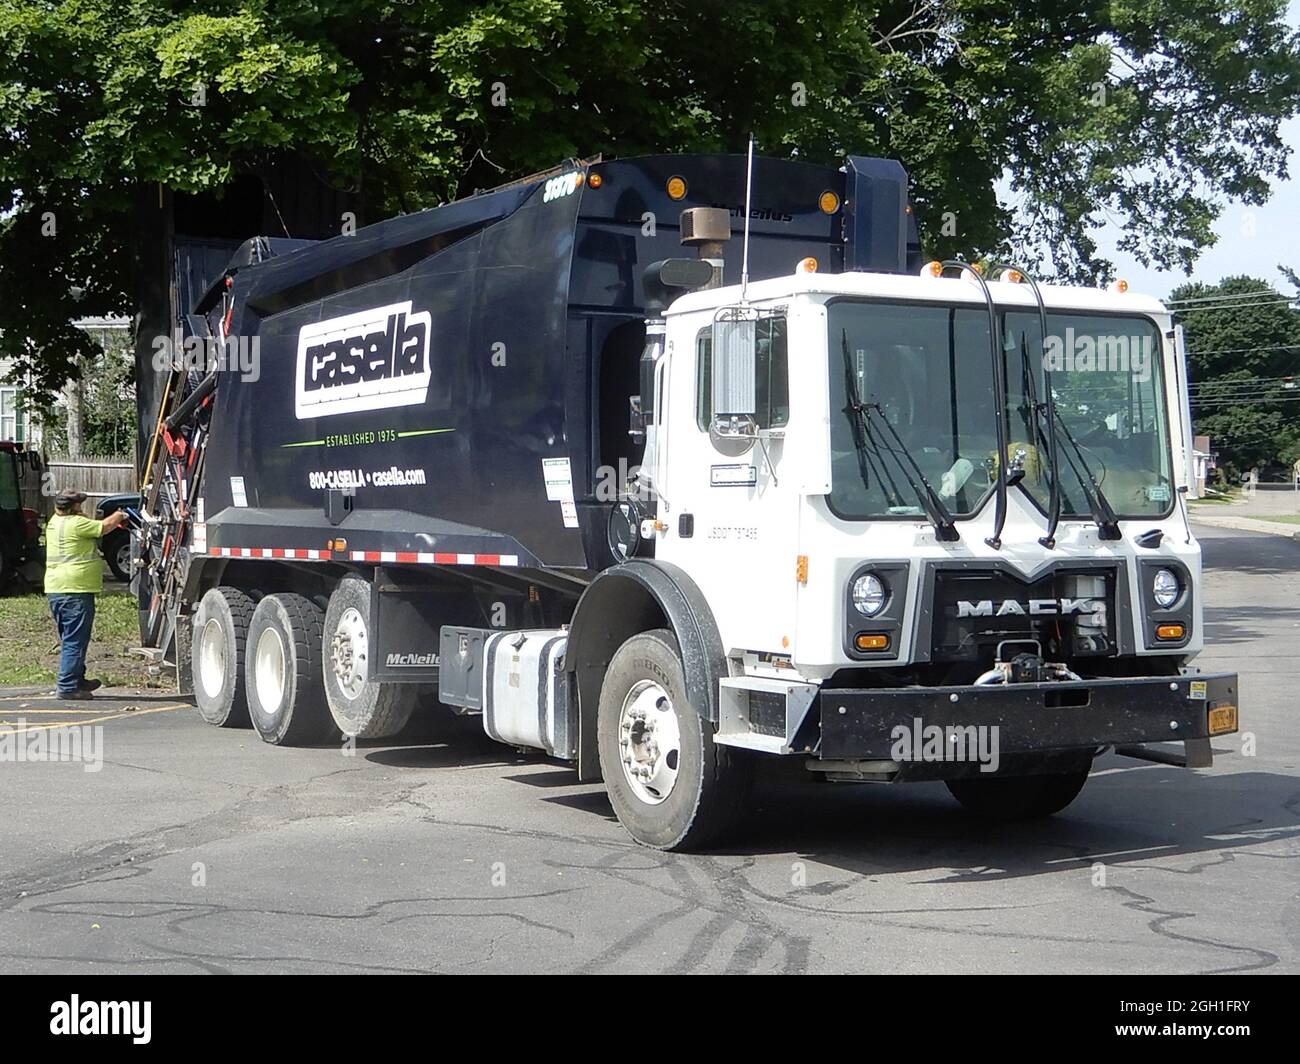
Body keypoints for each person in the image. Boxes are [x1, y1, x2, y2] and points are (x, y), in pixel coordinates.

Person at [44, 488, 128, 700]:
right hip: (75, 590)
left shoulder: (55, 522)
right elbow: (105, 527)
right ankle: (67, 686)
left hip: (57, 589)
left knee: (71, 637)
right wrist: (120, 514)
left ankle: (77, 679)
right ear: (73, 507)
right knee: (75, 640)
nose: (82, 508)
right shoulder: (77, 523)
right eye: (79, 504)